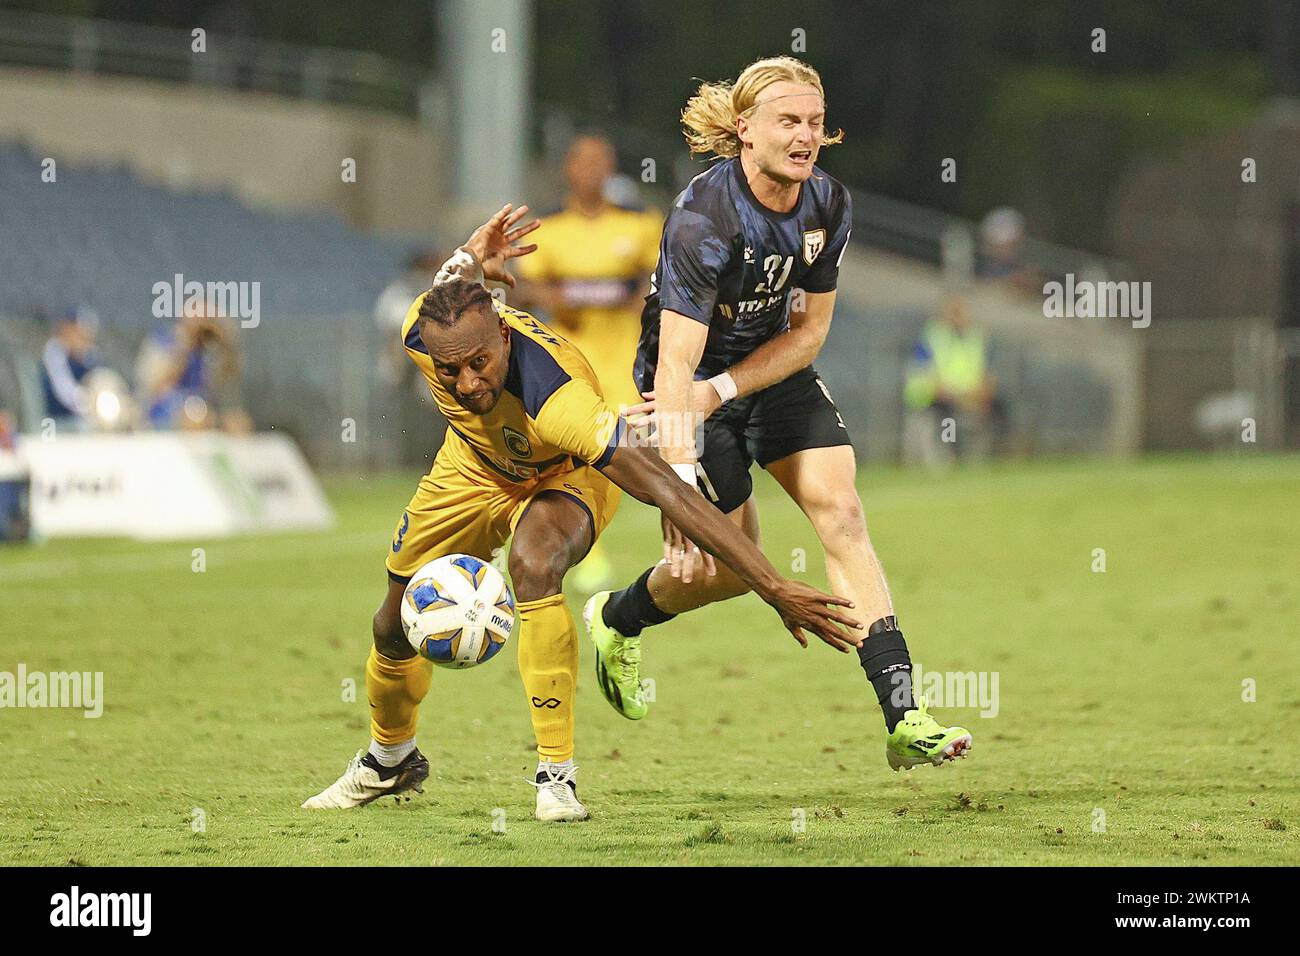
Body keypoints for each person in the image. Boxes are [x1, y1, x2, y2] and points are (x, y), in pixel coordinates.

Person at [301, 204, 862, 821]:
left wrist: (776, 587)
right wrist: (472, 255)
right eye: (450, 370)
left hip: (565, 473)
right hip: (468, 469)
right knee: (389, 624)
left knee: (534, 563)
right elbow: (451, 281)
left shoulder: (559, 400)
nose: (465, 383)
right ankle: (390, 761)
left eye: (479, 363)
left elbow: (669, 495)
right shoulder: (424, 329)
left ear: (506, 338)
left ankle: (555, 778)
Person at [582, 56, 972, 771]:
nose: (806, 136)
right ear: (745, 130)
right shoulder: (705, 217)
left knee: (842, 511)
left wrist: (727, 390)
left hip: (764, 378)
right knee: (727, 571)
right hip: (684, 393)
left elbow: (811, 333)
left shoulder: (829, 203)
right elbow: (674, 366)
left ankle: (904, 715)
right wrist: (676, 477)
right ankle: (616, 619)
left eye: (816, 123)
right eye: (788, 121)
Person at [515, 133, 663, 592]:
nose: (592, 171)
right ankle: (585, 552)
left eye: (601, 162)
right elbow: (522, 288)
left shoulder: (639, 225)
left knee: (622, 458)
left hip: (622, 363)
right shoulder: (549, 229)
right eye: (583, 162)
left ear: (611, 168)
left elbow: (665, 279)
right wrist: (557, 296)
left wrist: (640, 299)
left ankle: (677, 546)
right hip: (569, 365)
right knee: (569, 460)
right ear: (568, 169)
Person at [903, 295, 1007, 464]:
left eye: (961, 312)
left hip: (968, 395)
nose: (958, 316)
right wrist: (956, 395)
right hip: (934, 396)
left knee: (999, 407)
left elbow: (987, 373)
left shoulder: (976, 337)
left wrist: (980, 393)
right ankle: (951, 458)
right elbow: (924, 375)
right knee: (947, 414)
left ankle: (998, 457)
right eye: (954, 312)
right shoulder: (932, 337)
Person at [134, 305, 252, 433]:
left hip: (206, 414)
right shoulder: (163, 341)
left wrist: (224, 340)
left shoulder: (211, 349)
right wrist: (187, 343)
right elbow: (153, 388)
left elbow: (226, 383)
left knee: (237, 423)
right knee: (194, 418)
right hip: (164, 416)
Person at [39, 306, 101, 430]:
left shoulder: (88, 355)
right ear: (67, 329)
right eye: (79, 331)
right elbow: (63, 389)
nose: (83, 337)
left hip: (82, 417)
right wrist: (88, 404)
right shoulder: (54, 351)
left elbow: (100, 379)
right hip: (56, 419)